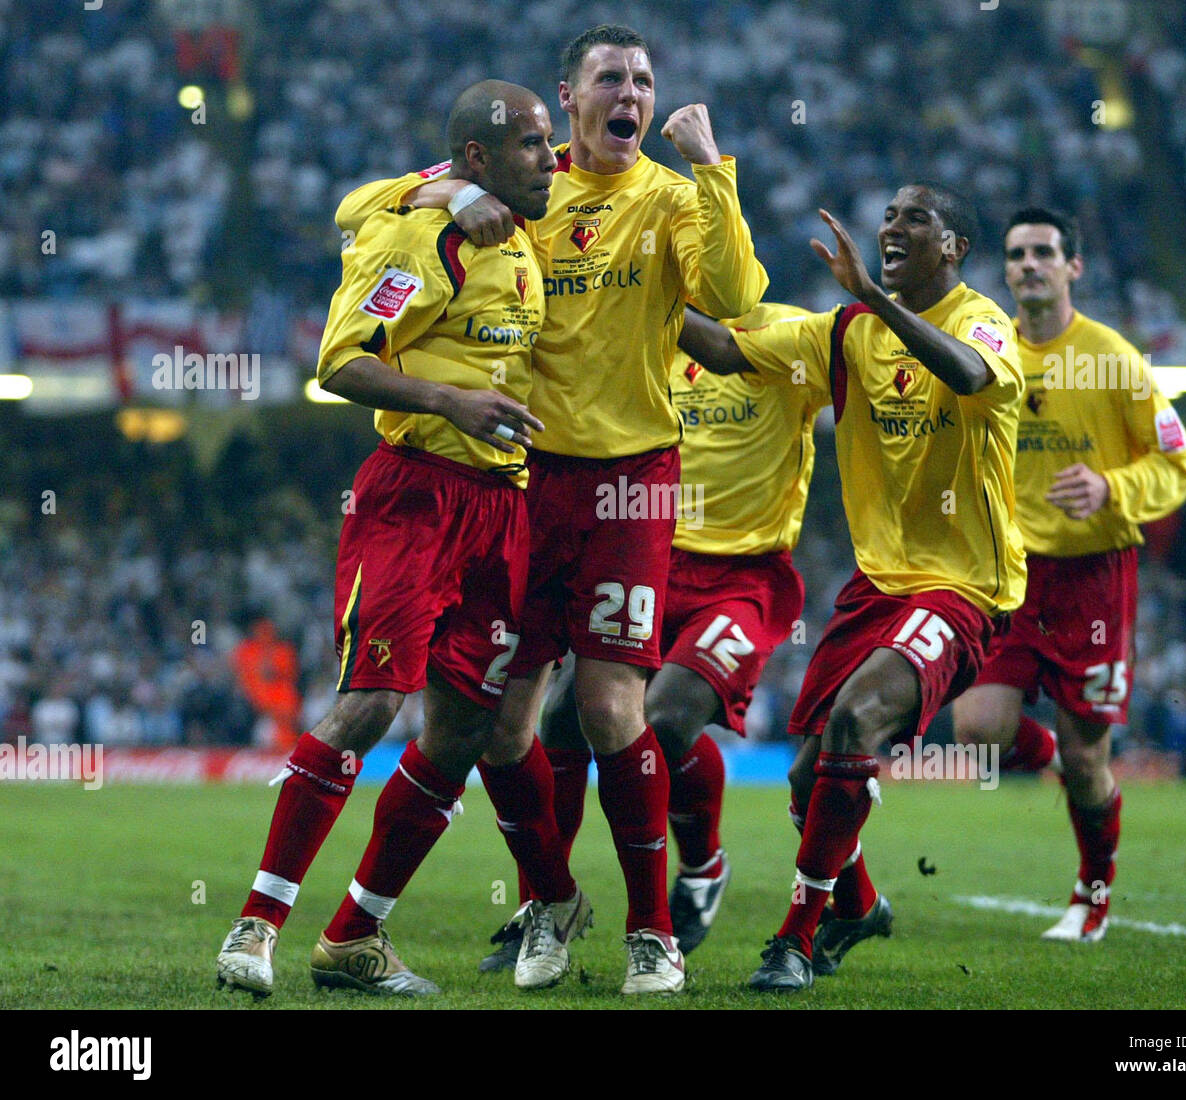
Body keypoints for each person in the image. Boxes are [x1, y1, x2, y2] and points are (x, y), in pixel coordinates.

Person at [335, 24, 767, 994]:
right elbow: (358, 208)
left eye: (645, 79)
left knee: (614, 707)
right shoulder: (521, 189)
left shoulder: (667, 194)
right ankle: (550, 899)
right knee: (498, 722)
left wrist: (713, 169)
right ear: (565, 96)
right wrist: (438, 188)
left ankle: (652, 932)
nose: (632, 93)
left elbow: (737, 293)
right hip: (524, 482)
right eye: (611, 77)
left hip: (631, 483)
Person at [215, 80, 580, 998]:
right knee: (373, 703)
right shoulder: (422, 238)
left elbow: (365, 190)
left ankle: (353, 939)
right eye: (535, 144)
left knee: (461, 733)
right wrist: (452, 400)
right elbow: (341, 362)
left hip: (504, 509)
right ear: (476, 162)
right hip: (416, 497)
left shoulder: (525, 223)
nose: (553, 157)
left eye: (550, 141)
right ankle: (254, 930)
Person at [678, 185, 1027, 991]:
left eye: (915, 219)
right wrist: (645, 302)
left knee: (858, 716)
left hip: (964, 587)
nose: (891, 228)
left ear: (955, 247)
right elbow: (731, 352)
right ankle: (859, 907)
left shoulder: (980, 320)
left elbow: (973, 376)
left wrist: (872, 298)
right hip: (879, 587)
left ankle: (796, 939)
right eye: (890, 217)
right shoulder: (845, 332)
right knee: (807, 781)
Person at [479, 301, 825, 971]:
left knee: (662, 721)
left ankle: (703, 863)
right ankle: (542, 910)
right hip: (649, 555)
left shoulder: (794, 335)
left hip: (740, 579)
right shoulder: (637, 327)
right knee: (560, 718)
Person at [952, 208, 1186, 942]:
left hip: (1094, 575)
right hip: (1014, 574)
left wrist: (1112, 490)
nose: (1028, 265)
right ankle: (1059, 757)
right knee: (977, 727)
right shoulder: (990, 352)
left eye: (1043, 253)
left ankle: (1093, 893)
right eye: (1017, 255)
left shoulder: (1112, 358)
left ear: (1073, 267)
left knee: (1091, 758)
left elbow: (1176, 461)